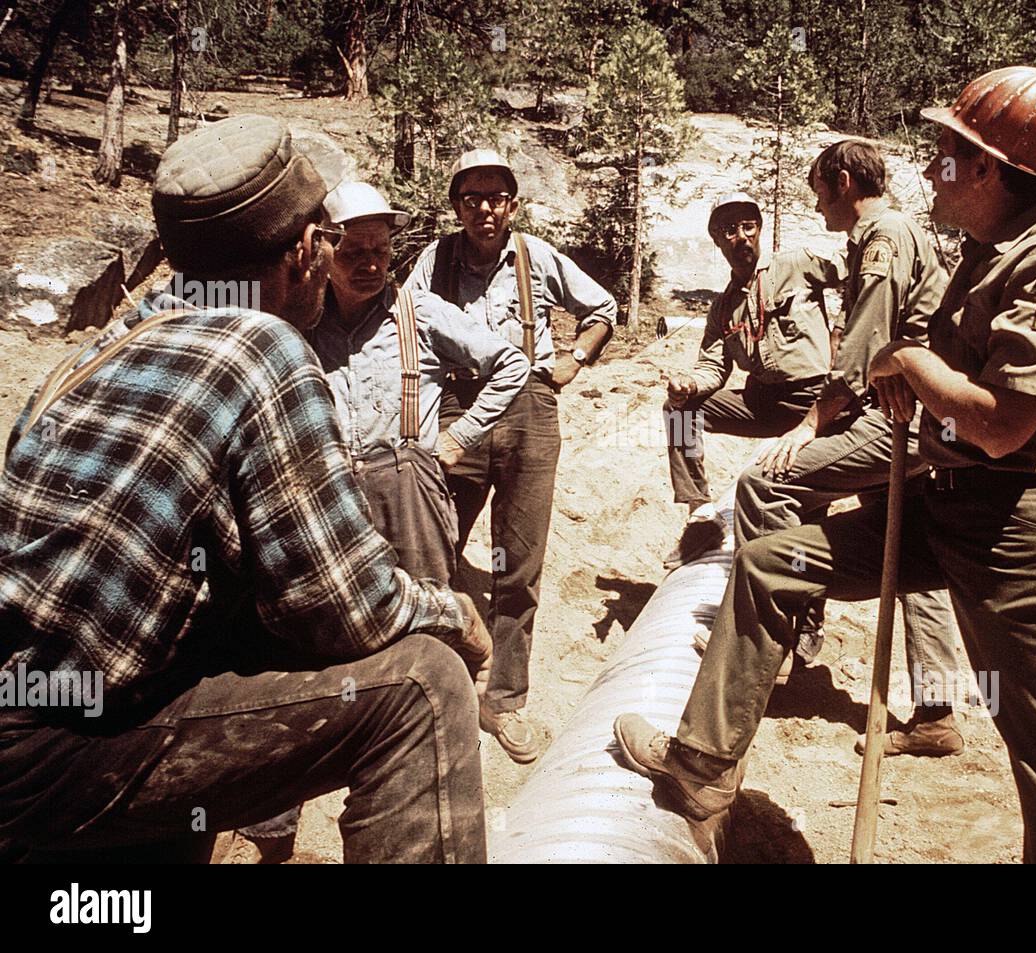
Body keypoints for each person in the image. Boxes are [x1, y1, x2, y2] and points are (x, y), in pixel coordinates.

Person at [613, 66, 1036, 863]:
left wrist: (905, 362)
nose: (930, 170)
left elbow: (1005, 424)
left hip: (1025, 530)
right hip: (945, 502)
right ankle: (701, 769)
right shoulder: (990, 247)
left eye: (945, 154)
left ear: (990, 169)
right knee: (768, 562)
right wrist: (913, 380)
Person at [0, 115, 491, 864]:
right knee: (426, 688)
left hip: (36, 702)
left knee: (213, 642)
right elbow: (347, 611)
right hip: (54, 748)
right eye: (327, 238)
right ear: (302, 251)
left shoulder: (96, 352)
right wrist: (454, 613)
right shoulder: (264, 348)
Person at [227, 180, 529, 863]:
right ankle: (271, 838)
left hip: (410, 494)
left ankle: (422, 806)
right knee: (292, 655)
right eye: (354, 250)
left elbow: (511, 362)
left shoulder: (418, 310)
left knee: (428, 652)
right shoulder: (295, 322)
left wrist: (459, 438)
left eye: (381, 250)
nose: (370, 263)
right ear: (322, 252)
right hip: (322, 497)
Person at [717, 143, 965, 756]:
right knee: (908, 552)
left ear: (845, 181)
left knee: (764, 483)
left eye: (818, 189)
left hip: (896, 419)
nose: (815, 201)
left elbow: (861, 349)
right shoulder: (884, 236)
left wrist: (808, 425)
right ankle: (936, 715)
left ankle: (774, 642)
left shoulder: (883, 236)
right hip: (911, 416)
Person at [402, 149, 616, 763]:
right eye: (471, 198)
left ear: (513, 204)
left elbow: (601, 309)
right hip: (455, 413)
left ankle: (505, 701)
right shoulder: (432, 261)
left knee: (518, 566)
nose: (485, 210)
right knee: (433, 551)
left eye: (496, 198)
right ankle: (431, 689)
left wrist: (573, 359)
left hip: (529, 412)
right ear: (456, 206)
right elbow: (403, 322)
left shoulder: (537, 256)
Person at [662, 192, 841, 579]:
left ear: (759, 230)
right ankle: (701, 517)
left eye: (748, 226)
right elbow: (712, 366)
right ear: (716, 240)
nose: (741, 236)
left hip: (814, 403)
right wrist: (687, 385)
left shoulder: (797, 265)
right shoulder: (723, 307)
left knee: (805, 513)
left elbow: (856, 272)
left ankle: (809, 621)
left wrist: (844, 329)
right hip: (763, 402)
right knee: (679, 412)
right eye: (729, 230)